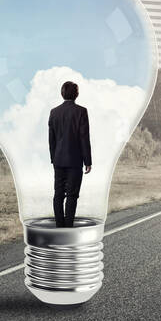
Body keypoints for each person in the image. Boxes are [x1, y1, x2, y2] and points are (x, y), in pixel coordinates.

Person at [48, 81, 92, 228]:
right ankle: (68, 227)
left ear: (62, 93)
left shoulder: (54, 112)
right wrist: (88, 161)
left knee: (58, 194)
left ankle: (59, 226)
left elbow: (51, 139)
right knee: (72, 195)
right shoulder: (81, 111)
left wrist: (53, 158)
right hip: (75, 160)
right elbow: (84, 138)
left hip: (58, 160)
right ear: (76, 94)